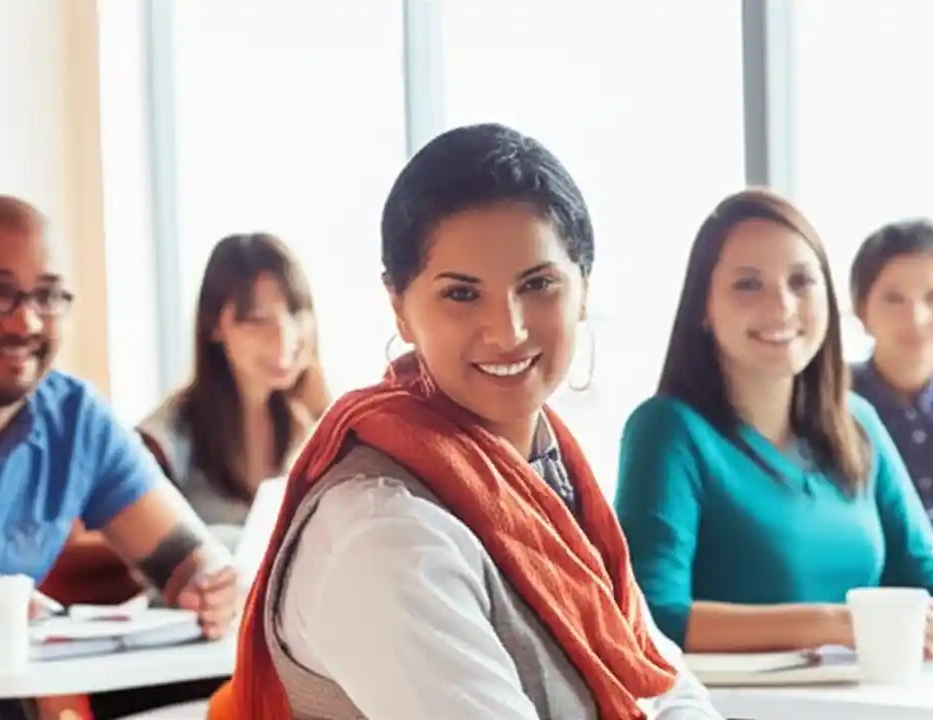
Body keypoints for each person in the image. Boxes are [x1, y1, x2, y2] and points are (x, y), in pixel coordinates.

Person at [210, 124, 720, 719]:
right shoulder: (383, 530)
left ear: (584, 290)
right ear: (400, 308)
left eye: (538, 285)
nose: (508, 331)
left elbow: (666, 690)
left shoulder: (552, 484)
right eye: (461, 295)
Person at [0, 196, 238, 719]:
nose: (26, 322)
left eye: (48, 295)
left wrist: (212, 586)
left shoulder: (76, 420)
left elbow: (190, 559)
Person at [616, 190, 933, 654]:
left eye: (802, 281)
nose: (782, 306)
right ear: (703, 306)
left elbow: (923, 573)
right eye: (748, 285)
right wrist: (836, 623)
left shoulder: (858, 423)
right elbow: (650, 615)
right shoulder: (667, 430)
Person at [139, 232, 330, 529]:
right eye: (257, 319)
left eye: (295, 312)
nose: (284, 337)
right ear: (214, 325)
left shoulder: (322, 419)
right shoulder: (172, 433)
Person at [849, 219, 933, 522]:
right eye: (894, 299)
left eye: (932, 298)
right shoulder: (831, 401)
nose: (917, 318)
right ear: (862, 311)